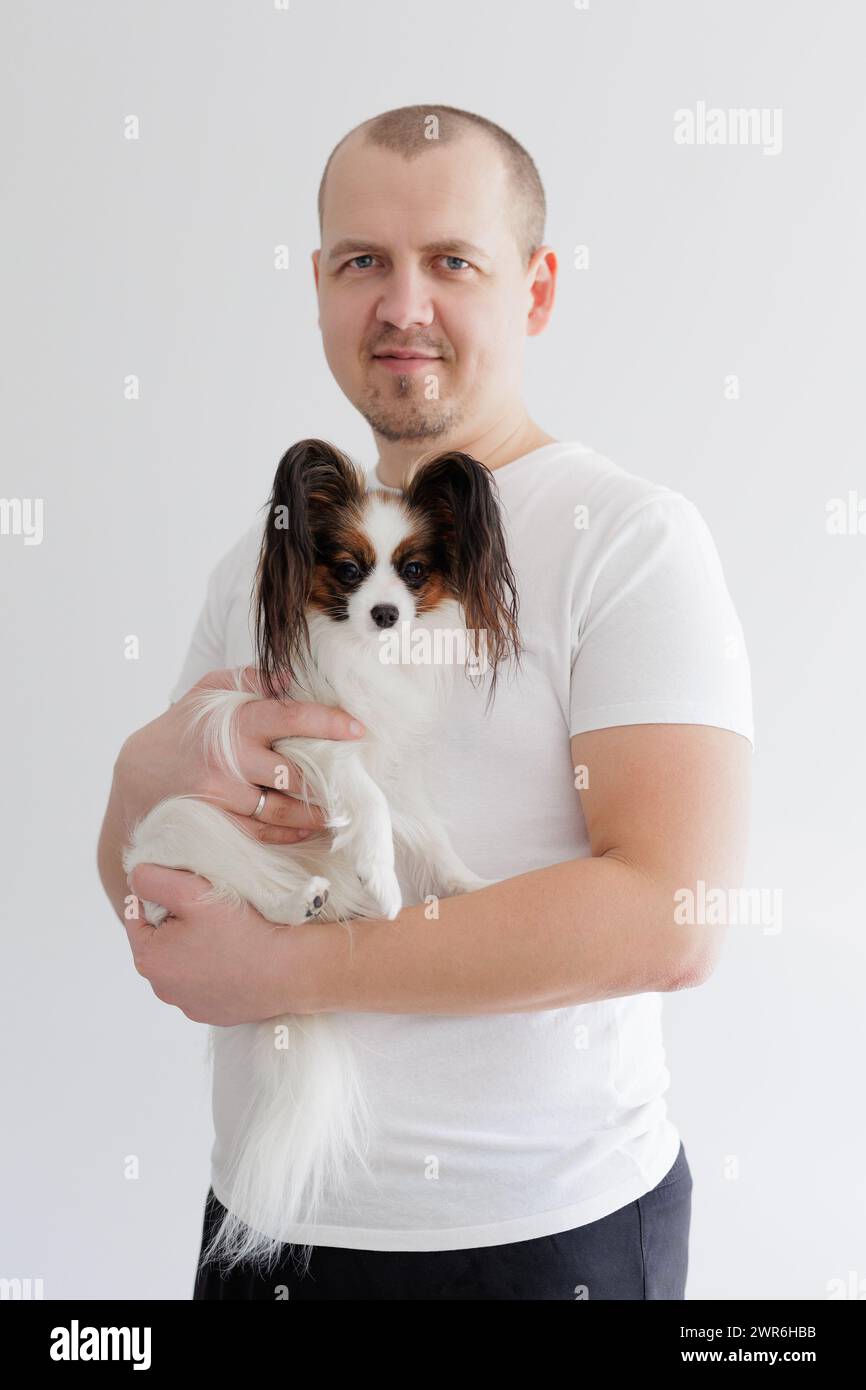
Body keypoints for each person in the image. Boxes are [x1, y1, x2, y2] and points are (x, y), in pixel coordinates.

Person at [97, 104, 753, 1300]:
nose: (403, 306)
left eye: (452, 260)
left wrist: (295, 968)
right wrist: (139, 778)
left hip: (537, 1235)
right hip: (267, 1222)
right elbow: (142, 878)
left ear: (536, 288)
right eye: (363, 262)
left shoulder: (629, 541)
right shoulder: (266, 553)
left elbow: (672, 914)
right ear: (318, 289)